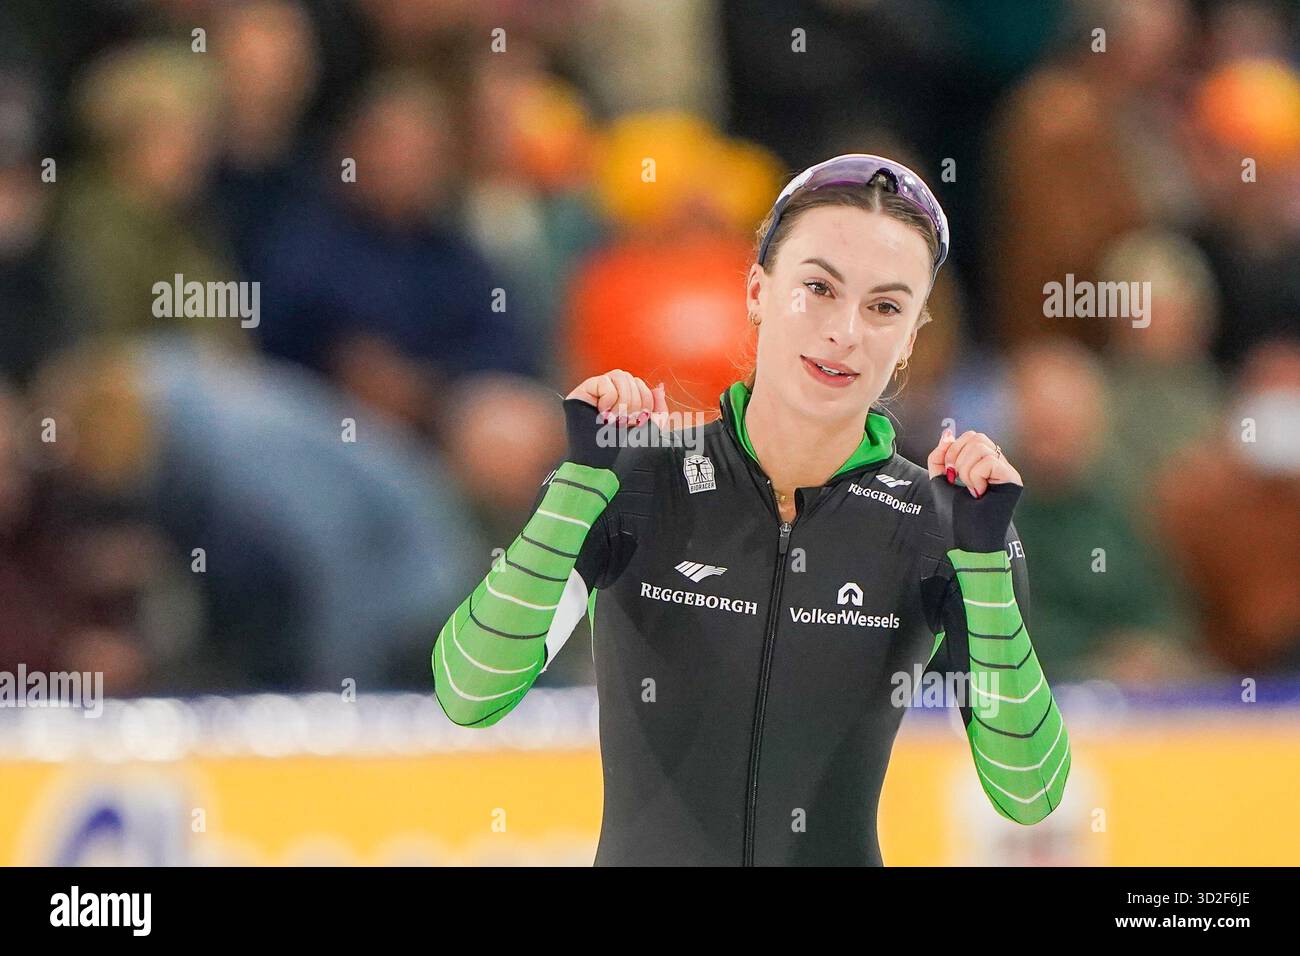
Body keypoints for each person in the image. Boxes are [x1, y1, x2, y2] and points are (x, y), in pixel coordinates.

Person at [432, 154, 1070, 865]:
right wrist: (577, 492)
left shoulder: (943, 527)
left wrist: (982, 567)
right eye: (818, 288)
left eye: (885, 307)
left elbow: (1031, 794)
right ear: (758, 290)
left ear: (911, 338)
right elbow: (469, 690)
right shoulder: (637, 479)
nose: (845, 331)